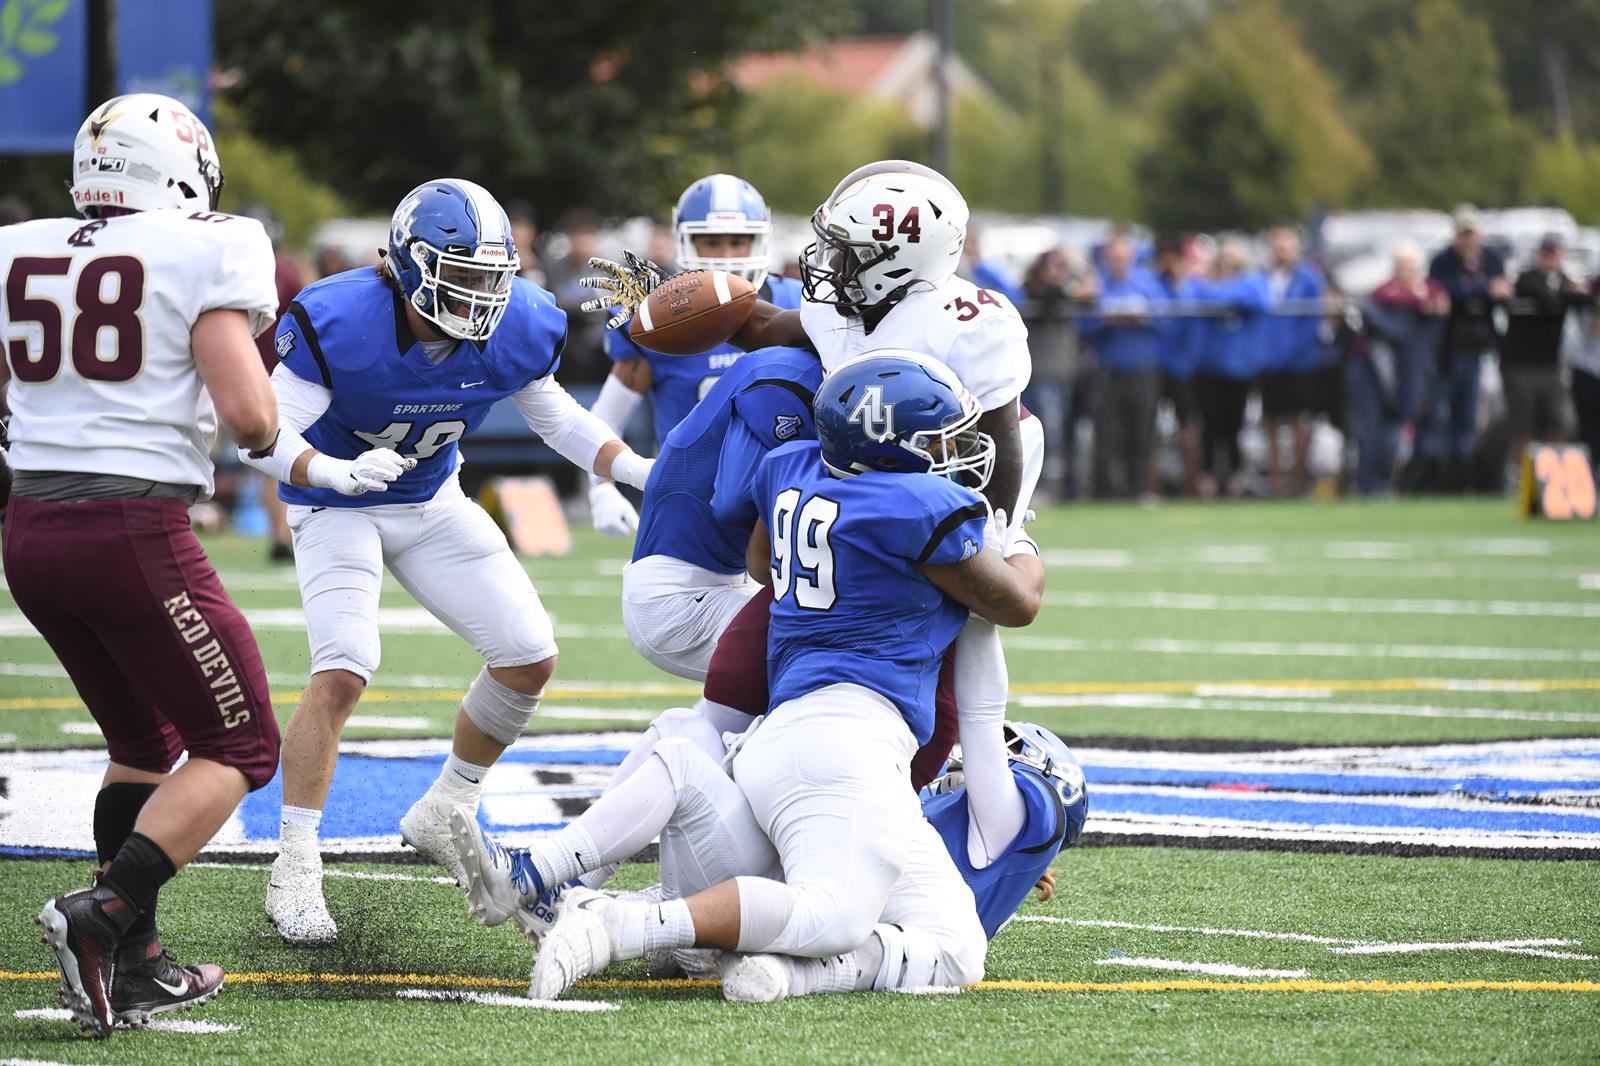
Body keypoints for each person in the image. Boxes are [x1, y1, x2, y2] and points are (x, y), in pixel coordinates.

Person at [528, 351, 1047, 1001]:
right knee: (831, 914)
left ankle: (785, 973)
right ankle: (618, 925)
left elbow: (761, 563)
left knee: (957, 946)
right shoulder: (915, 503)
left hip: (790, 730)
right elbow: (1016, 602)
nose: (957, 454)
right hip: (851, 737)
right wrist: (1018, 542)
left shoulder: (793, 467)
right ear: (893, 449)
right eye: (938, 441)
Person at [239, 179, 655, 946]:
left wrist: (629, 467)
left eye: (490, 280)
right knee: (345, 665)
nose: (479, 299)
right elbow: (260, 433)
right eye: (461, 279)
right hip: (337, 501)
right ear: (406, 265)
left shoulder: (523, 321)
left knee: (528, 655)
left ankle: (448, 803)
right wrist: (329, 474)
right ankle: (294, 860)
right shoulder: (338, 317)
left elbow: (553, 414)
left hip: (431, 499)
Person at [583, 161, 1041, 783]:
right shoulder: (850, 303)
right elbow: (766, 326)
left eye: (846, 251)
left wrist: (996, 534)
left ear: (898, 260)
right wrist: (681, 295)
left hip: (945, 496)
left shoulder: (972, 326)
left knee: (970, 646)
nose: (825, 261)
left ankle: (985, 787)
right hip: (857, 510)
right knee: (757, 688)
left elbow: (1003, 442)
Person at [3, 94, 283, 1037]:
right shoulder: (207, 246)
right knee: (242, 746)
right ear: (182, 169)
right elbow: (249, 416)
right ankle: (104, 914)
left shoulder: (21, 247)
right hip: (130, 533)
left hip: (31, 531)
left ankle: (136, 966)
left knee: (143, 745)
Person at [585, 175, 802, 539]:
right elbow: (608, 415)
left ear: (762, 240)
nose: (726, 255)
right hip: (687, 500)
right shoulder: (657, 317)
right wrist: (601, 486)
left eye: (739, 241)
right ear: (683, 240)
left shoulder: (800, 302)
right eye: (711, 241)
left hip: (781, 503)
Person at [1421, 205, 1509, 491]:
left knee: (1469, 417)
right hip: (1448, 351)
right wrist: (1483, 291)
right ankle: (1438, 478)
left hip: (1480, 350)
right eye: (1462, 233)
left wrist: (1480, 293)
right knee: (1441, 415)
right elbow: (1446, 291)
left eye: (1471, 233)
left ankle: (1462, 476)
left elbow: (1504, 292)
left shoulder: (1491, 259)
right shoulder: (1442, 262)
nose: (1468, 239)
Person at [239, 203, 308, 563]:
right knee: (271, 455)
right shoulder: (284, 272)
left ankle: (279, 536)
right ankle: (280, 536)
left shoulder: (234, 268)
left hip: (246, 375)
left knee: (269, 457)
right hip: (267, 375)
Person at [1079, 232, 1167, 500]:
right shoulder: (1096, 283)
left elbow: (1167, 319)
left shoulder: (1147, 283)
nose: (1118, 263)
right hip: (1109, 370)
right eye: (1114, 258)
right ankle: (1104, 491)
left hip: (1142, 368)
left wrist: (1142, 317)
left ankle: (1138, 488)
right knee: (1106, 432)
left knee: (1141, 430)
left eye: (1123, 258)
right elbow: (1082, 326)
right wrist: (1105, 318)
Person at [1359, 244, 1450, 496]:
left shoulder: (1430, 290)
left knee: (1426, 427)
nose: (1406, 272)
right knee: (1384, 430)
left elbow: (1442, 304)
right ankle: (1379, 483)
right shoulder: (1384, 294)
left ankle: (1418, 484)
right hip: (1387, 376)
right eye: (1402, 267)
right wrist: (1419, 304)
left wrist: (1423, 303)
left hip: (1421, 372)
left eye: (1411, 267)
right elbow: (1381, 301)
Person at [1502, 235, 1591, 464]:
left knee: (1556, 421)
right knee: (1523, 424)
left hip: (1550, 364)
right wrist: (1568, 293)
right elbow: (1542, 295)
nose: (1550, 259)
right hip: (1520, 365)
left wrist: (1572, 293)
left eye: (1555, 254)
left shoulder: (1564, 281)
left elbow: (1584, 300)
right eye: (1546, 253)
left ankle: (1553, 471)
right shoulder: (1528, 278)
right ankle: (1522, 475)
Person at [1190, 238, 1268, 498]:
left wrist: (1222, 296)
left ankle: (1235, 475)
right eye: (1223, 258)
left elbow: (1258, 298)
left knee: (1234, 427)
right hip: (1209, 367)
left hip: (1239, 369)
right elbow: (1198, 296)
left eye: (1233, 258)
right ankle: (1208, 477)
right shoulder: (1205, 285)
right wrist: (1225, 297)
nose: (1228, 263)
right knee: (1210, 426)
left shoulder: (1251, 283)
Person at [1257, 223, 1327, 497]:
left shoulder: (1309, 279)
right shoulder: (1262, 278)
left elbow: (1310, 324)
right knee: (1272, 421)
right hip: (1269, 363)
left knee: (1299, 421)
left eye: (1286, 243)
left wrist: (1290, 351)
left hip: (1299, 363)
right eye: (1277, 243)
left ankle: (1297, 482)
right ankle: (1276, 482)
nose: (1281, 249)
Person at [1149, 235, 1201, 497]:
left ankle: (1189, 487)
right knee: (1152, 429)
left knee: (1188, 429)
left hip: (1183, 368)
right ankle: (1152, 487)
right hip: (1157, 365)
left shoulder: (1189, 287)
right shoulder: (1154, 285)